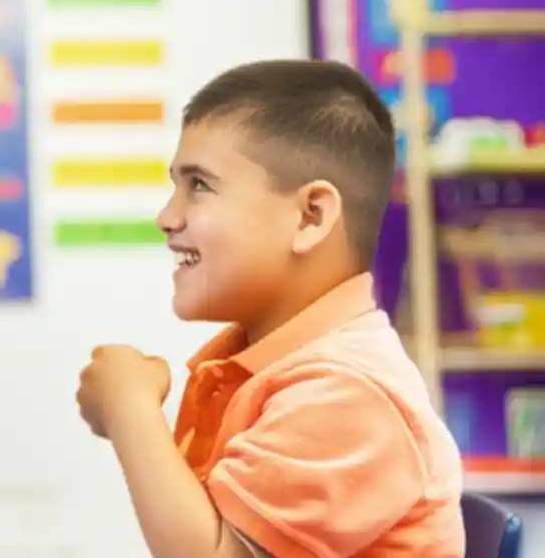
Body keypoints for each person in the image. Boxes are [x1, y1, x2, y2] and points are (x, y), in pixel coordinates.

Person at [75, 60, 466, 557]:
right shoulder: (275, 368)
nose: (166, 217)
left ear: (310, 216)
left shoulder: (348, 391)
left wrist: (129, 408)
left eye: (199, 185)